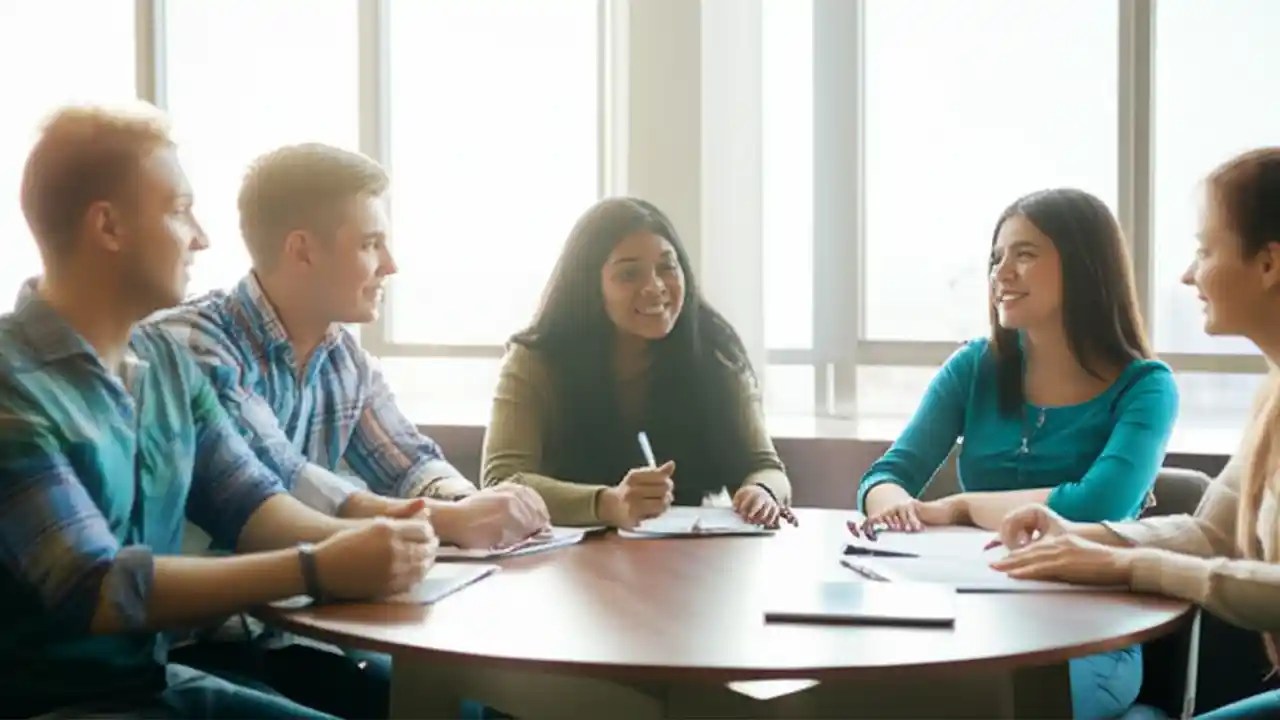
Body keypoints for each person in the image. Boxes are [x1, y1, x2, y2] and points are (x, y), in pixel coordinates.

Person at [0, 103, 437, 718]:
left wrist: (382, 545)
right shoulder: (11, 384)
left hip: (152, 685)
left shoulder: (166, 364)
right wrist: (317, 568)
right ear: (108, 227)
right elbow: (97, 589)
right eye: (179, 211)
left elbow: (252, 502)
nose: (202, 236)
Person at [853, 188, 1180, 719]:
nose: (1001, 273)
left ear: (1084, 265)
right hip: (976, 618)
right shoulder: (972, 367)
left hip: (1087, 636)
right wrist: (890, 503)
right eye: (996, 258)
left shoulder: (1146, 387)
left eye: (1025, 254)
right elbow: (885, 477)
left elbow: (1095, 508)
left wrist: (961, 506)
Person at [991, 148, 1280, 720]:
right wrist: (1086, 537)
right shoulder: (1271, 392)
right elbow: (1211, 532)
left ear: (1269, 263)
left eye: (1204, 250)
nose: (1188, 273)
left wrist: (1130, 566)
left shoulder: (1147, 384)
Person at [149, 142, 550, 550]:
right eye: (370, 244)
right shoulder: (194, 345)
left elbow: (409, 462)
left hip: (303, 599)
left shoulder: (346, 360)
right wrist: (446, 519)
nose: (390, 264)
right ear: (302, 250)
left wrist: (476, 504)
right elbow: (279, 479)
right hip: (211, 606)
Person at [481, 197, 793, 528]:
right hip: (564, 564)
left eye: (667, 267)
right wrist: (605, 504)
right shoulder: (535, 360)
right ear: (589, 286)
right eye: (629, 274)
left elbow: (766, 466)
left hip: (687, 561)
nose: (655, 287)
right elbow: (502, 481)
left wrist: (762, 491)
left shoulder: (714, 350)